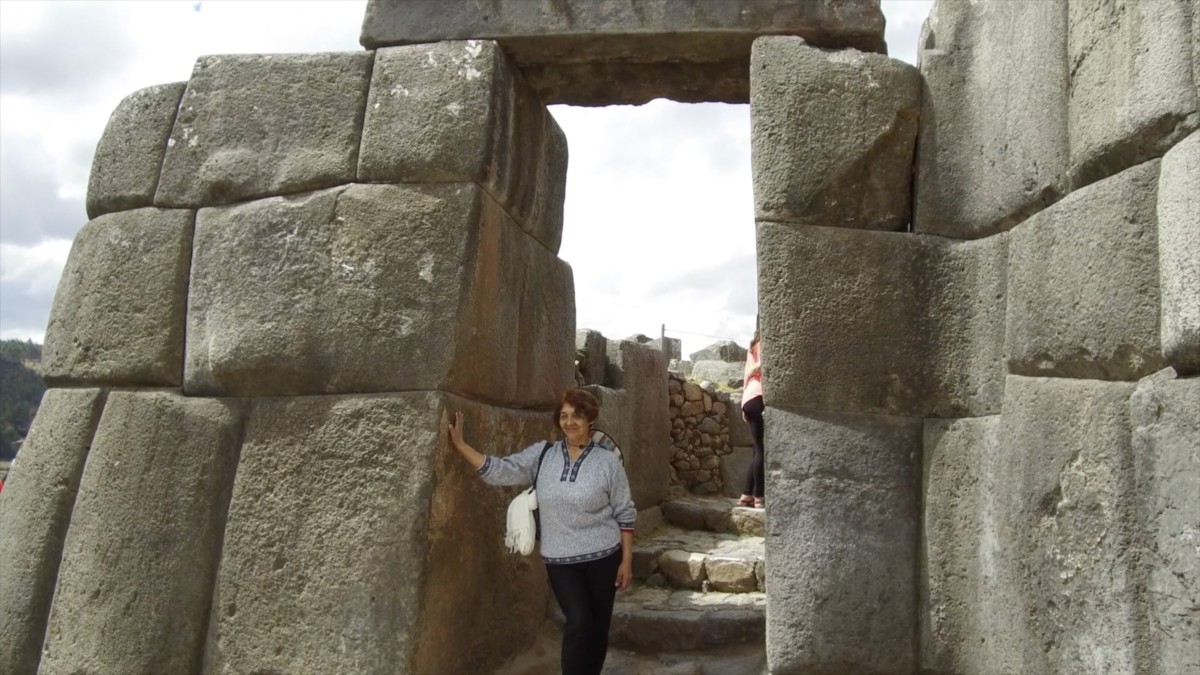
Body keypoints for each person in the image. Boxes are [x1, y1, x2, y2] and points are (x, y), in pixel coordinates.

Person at [446, 388, 635, 675]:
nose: (569, 422)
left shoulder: (607, 462)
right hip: (560, 559)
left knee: (597, 627)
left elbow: (625, 511)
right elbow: (502, 470)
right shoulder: (543, 455)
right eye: (564, 416)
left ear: (590, 419)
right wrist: (462, 446)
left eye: (576, 416)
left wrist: (627, 560)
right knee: (579, 621)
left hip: (604, 557)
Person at [738, 329, 765, 509]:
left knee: (757, 450)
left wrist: (743, 404)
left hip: (749, 397)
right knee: (762, 450)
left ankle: (746, 494)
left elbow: (747, 376)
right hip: (758, 396)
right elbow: (763, 366)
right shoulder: (763, 343)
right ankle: (759, 496)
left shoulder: (752, 347)